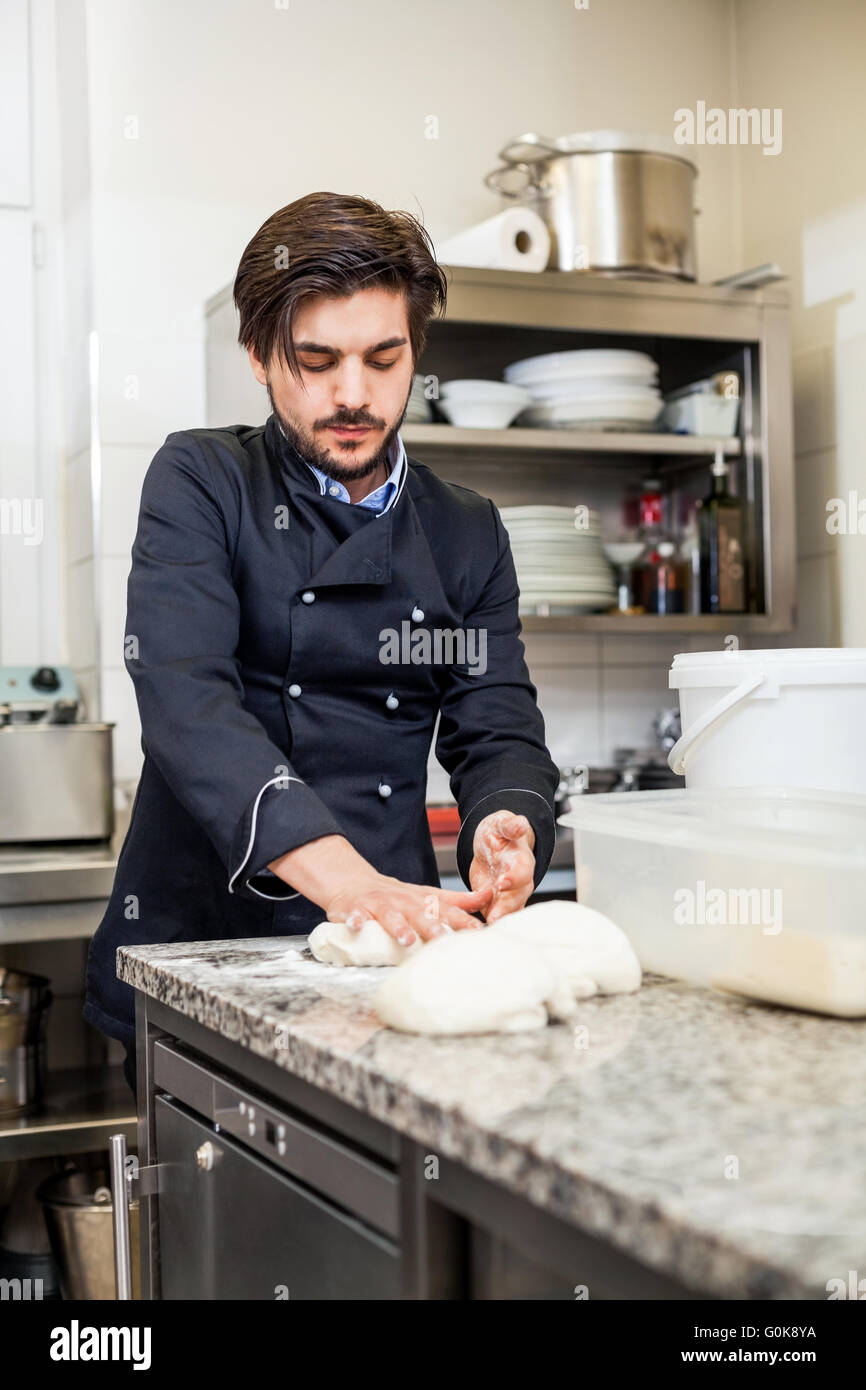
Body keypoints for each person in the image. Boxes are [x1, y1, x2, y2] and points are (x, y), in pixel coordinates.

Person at [83, 191, 560, 1096]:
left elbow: (495, 720)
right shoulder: (203, 480)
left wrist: (509, 816)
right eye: (317, 360)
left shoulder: (466, 532)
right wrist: (349, 883)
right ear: (261, 358)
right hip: (200, 946)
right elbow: (187, 701)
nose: (353, 395)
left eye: (385, 359)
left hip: (386, 955)